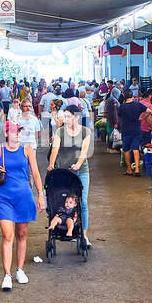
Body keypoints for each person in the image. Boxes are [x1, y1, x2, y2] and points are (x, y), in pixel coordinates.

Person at [0, 121, 43, 291]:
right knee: (7, 235)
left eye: (18, 132)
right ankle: (7, 275)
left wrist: (41, 194)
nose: (16, 134)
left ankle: (20, 269)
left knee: (22, 234)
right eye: (13, 132)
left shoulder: (27, 150)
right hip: (4, 197)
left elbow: (35, 173)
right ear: (6, 134)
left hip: (23, 197)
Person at [49, 103, 93, 242]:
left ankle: (84, 234)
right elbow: (55, 149)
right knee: (63, 201)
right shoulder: (59, 132)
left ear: (77, 117)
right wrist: (51, 165)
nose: (66, 119)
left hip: (81, 171)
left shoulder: (86, 131)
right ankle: (65, 227)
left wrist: (78, 165)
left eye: (69, 116)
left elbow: (84, 151)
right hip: (63, 173)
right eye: (65, 116)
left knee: (83, 202)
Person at [118, 92, 148, 175]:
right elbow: (149, 110)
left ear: (124, 97)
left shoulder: (122, 106)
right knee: (135, 148)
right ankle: (137, 169)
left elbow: (119, 115)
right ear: (132, 96)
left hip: (126, 130)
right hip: (137, 129)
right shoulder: (138, 104)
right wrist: (142, 118)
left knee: (126, 149)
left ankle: (129, 170)